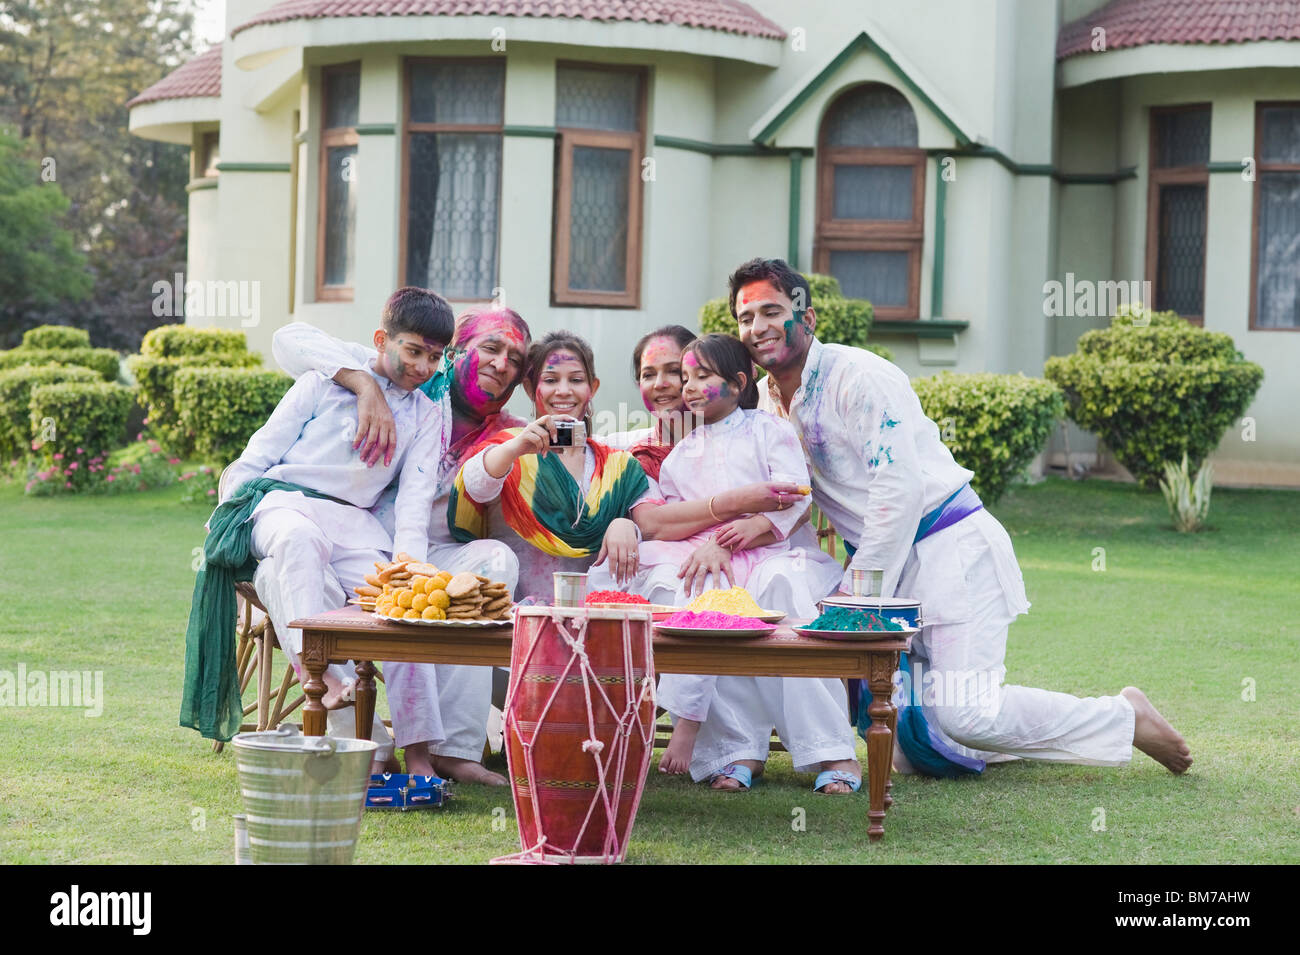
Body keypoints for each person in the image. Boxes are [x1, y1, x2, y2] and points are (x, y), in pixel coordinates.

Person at [728, 257, 1193, 777]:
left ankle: (1123, 717)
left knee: (965, 713)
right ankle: (1019, 733)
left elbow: (898, 488)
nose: (757, 327)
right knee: (914, 749)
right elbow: (788, 490)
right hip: (891, 565)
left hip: (949, 549)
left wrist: (859, 589)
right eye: (745, 318)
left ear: (807, 318)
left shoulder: (858, 376)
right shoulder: (767, 400)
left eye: (772, 311)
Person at [182, 288, 450, 776]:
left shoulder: (425, 416)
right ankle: (323, 675)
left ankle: (418, 756)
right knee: (298, 542)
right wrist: (365, 388)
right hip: (282, 505)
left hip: (355, 523)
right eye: (413, 351)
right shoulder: (326, 380)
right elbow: (259, 451)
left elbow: (412, 505)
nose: (424, 367)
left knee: (406, 598)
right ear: (381, 340)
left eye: (435, 357)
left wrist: (407, 566)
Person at [267, 305, 531, 785]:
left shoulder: (497, 428)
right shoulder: (370, 379)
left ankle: (448, 750)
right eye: (491, 347)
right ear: (460, 351)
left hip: (399, 546)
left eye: (515, 358)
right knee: (297, 557)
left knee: (432, 591)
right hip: (309, 525)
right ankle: (364, 746)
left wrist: (408, 568)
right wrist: (364, 386)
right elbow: (289, 338)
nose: (501, 364)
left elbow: (430, 502)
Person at [610, 333, 859, 793]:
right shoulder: (680, 455)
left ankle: (832, 750)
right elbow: (676, 521)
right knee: (707, 596)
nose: (687, 387)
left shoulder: (769, 430)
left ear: (738, 381)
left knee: (778, 586)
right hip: (716, 556)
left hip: (778, 551)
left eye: (700, 376)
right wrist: (714, 544)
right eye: (686, 377)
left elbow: (795, 495)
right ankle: (737, 748)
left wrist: (755, 528)